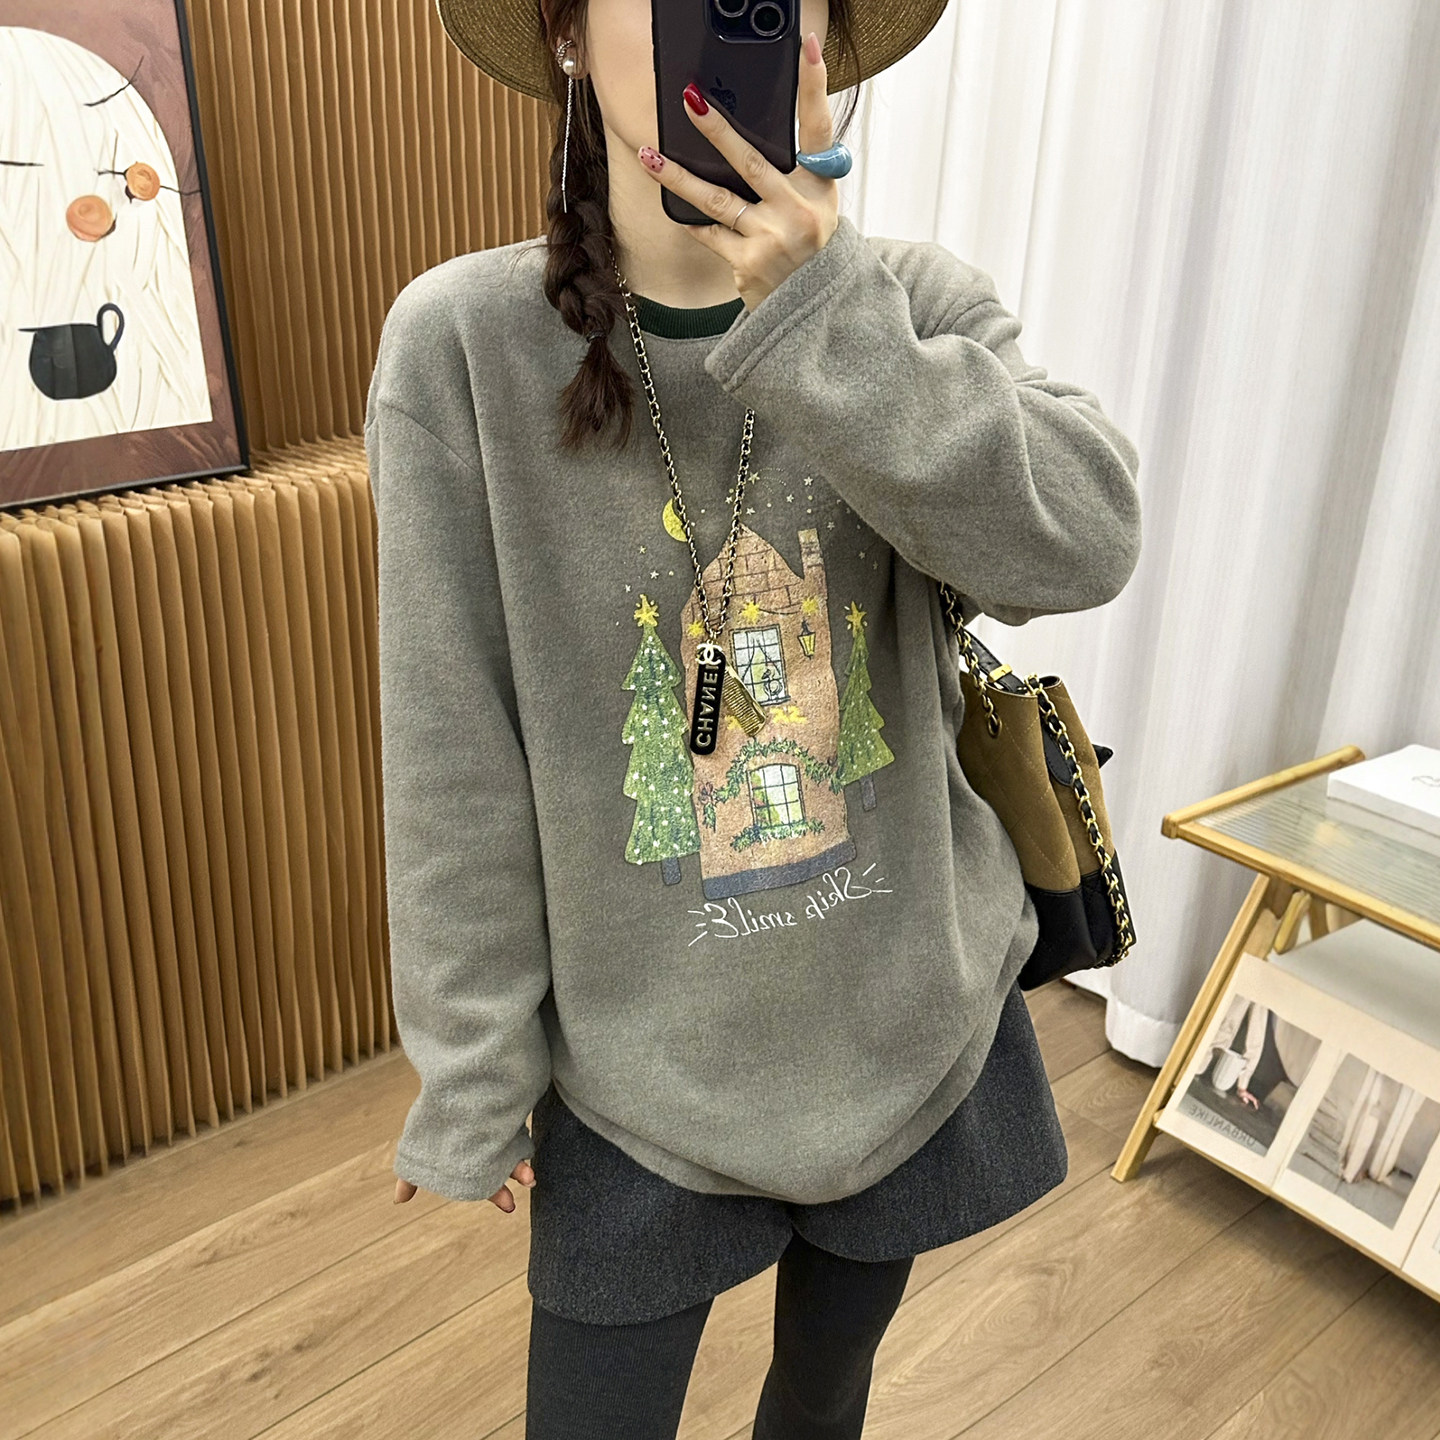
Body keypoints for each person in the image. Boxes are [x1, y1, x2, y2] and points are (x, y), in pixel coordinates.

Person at [363, 0, 1143, 1433]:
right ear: (563, 33)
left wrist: (827, 321)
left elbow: (1084, 544)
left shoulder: (909, 305)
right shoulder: (462, 347)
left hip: (904, 1024)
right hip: (636, 1064)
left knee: (824, 1400)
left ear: (822, 42)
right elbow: (453, 746)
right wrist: (474, 1063)